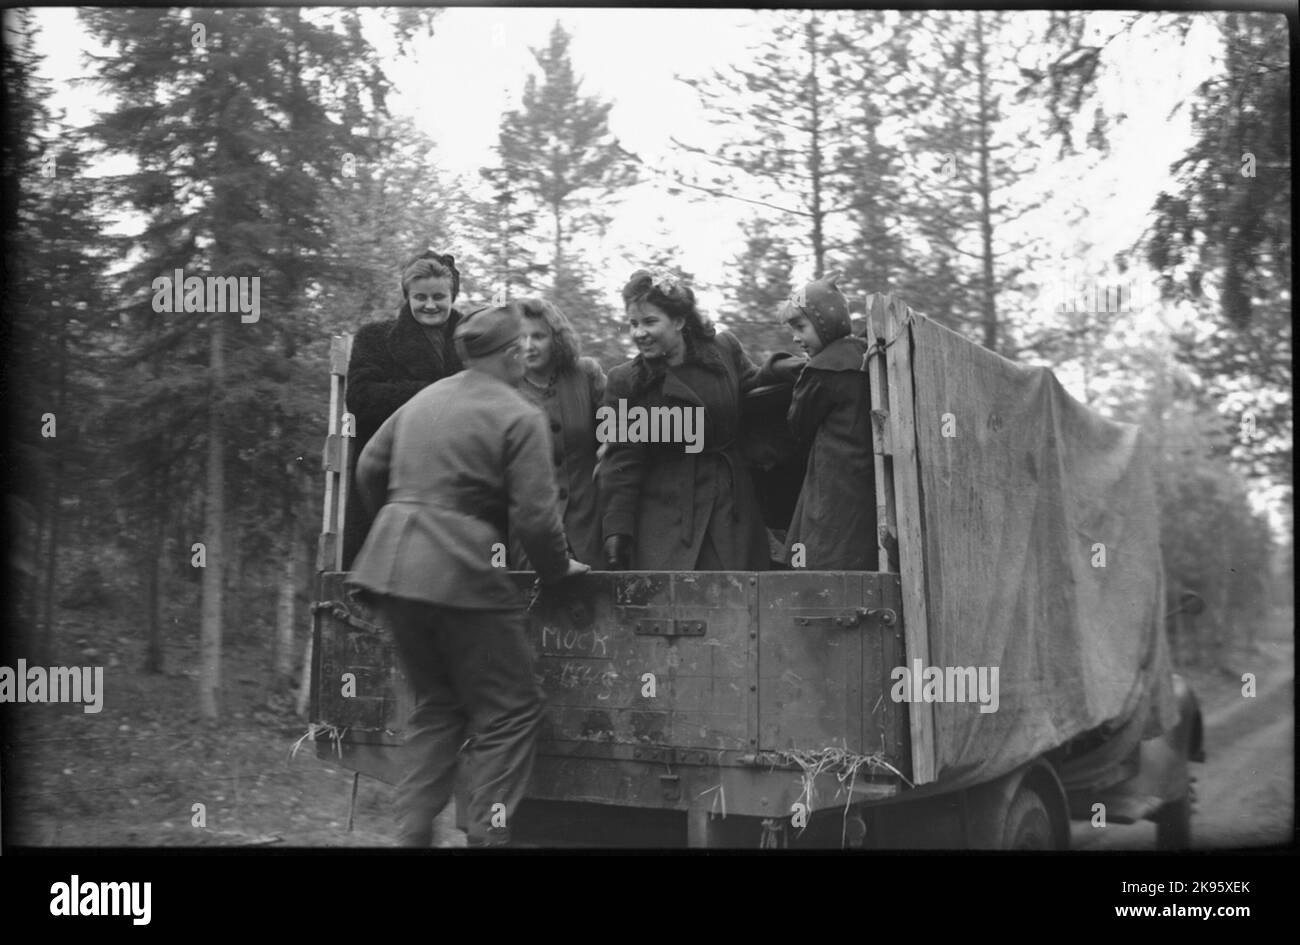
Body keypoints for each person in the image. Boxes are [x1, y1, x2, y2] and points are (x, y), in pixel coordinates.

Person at [348, 304, 589, 847]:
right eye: (520, 346)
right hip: (460, 571)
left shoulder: (425, 399)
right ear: (508, 354)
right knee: (510, 711)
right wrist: (558, 569)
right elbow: (534, 515)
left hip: (390, 571)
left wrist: (399, 518)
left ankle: (410, 837)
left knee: (437, 706)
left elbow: (368, 468)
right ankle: (487, 836)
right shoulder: (518, 413)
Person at [600, 269, 769, 571]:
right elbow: (620, 464)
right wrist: (617, 531)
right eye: (633, 323)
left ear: (679, 321)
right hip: (664, 516)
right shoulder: (625, 381)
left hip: (730, 509)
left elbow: (755, 387)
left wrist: (786, 367)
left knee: (739, 603)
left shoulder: (723, 351)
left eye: (650, 321)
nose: (639, 333)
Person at [341, 250, 465, 568]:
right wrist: (433, 394)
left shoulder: (472, 338)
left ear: (453, 295)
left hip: (458, 472)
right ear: (407, 296)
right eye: (419, 297)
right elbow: (360, 397)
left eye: (439, 296)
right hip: (391, 473)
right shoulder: (376, 339)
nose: (430, 305)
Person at [779, 274, 879, 570]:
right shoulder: (865, 357)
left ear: (825, 323)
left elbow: (798, 424)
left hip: (831, 479)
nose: (796, 338)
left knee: (819, 551)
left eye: (801, 327)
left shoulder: (821, 370)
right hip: (863, 478)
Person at [511, 298, 607, 568]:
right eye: (521, 337)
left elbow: (619, 420)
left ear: (556, 338)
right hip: (533, 533)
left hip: (589, 526)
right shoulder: (505, 387)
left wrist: (611, 443)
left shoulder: (585, 374)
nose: (529, 346)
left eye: (538, 336)